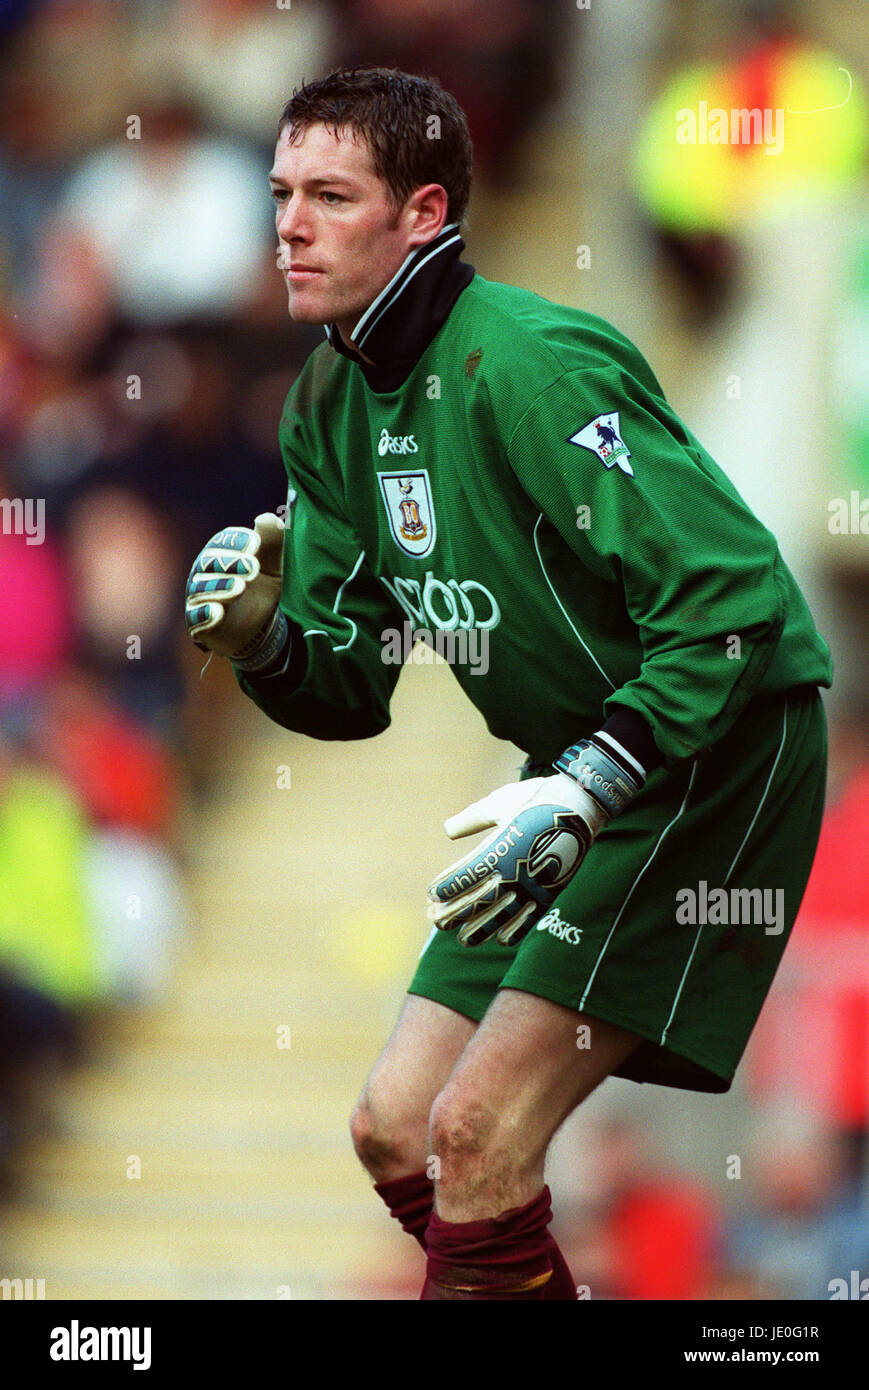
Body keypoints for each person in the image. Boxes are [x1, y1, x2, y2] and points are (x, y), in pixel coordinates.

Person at [185, 65, 832, 1300]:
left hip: (710, 751)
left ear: (422, 213)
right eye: (280, 193)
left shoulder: (533, 365)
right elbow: (352, 686)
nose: (288, 224)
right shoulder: (324, 401)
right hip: (574, 771)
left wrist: (591, 779)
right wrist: (268, 638)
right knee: (394, 1125)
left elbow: (736, 601)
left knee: (477, 1135)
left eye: (329, 193)